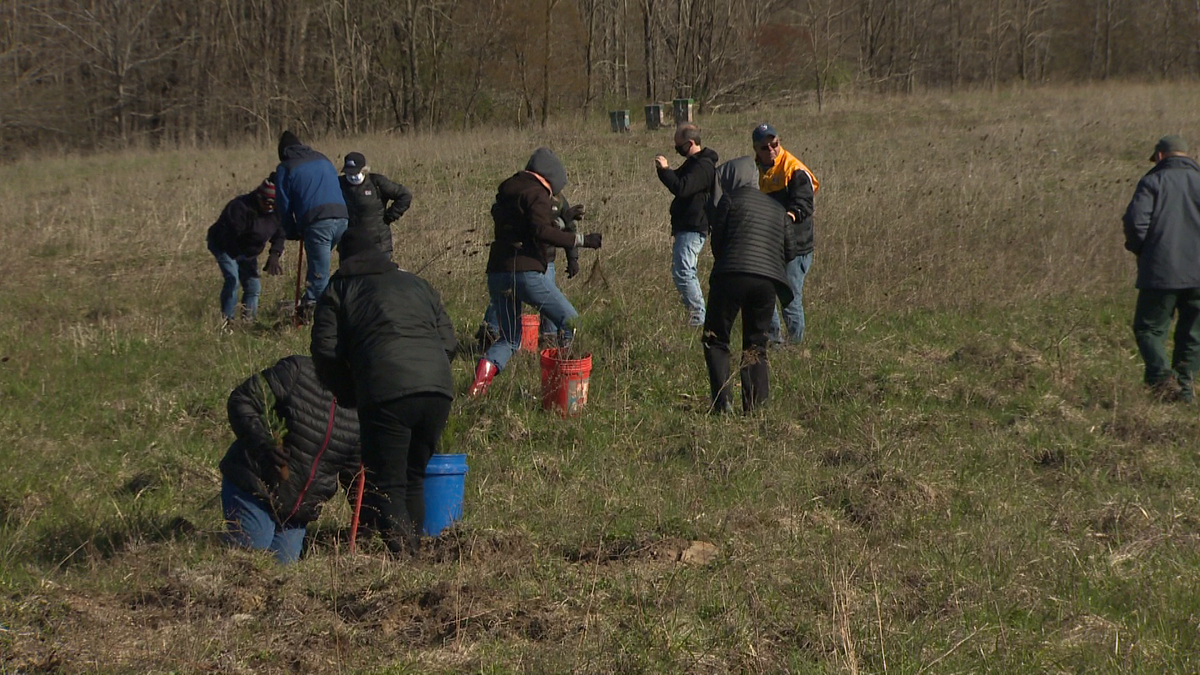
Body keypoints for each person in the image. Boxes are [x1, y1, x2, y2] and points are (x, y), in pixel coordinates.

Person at [310, 228, 458, 557]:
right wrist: (428, 370)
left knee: (387, 484)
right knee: (413, 476)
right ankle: (413, 552)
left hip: (386, 392)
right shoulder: (418, 284)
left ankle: (405, 560)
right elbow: (449, 342)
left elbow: (325, 351)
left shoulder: (338, 290)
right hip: (437, 391)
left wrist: (349, 393)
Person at [468, 148, 603, 397]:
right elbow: (541, 231)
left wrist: (560, 223)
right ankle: (560, 384)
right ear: (550, 178)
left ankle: (478, 387)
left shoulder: (507, 191)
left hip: (497, 272)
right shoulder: (537, 193)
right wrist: (581, 240)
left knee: (509, 339)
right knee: (571, 320)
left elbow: (528, 226)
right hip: (525, 272)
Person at [219, 355, 361, 564]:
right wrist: (263, 442)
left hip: (296, 514)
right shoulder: (298, 371)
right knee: (251, 560)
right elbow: (243, 399)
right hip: (255, 488)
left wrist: (375, 522)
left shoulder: (361, 408)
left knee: (281, 578)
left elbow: (354, 473)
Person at [703, 157, 797, 413]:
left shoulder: (729, 201)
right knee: (756, 345)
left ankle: (723, 405)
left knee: (717, 340)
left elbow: (718, 243)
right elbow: (790, 250)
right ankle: (755, 408)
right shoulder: (777, 209)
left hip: (731, 275)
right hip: (767, 282)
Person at [1122, 134, 1200, 403]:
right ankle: (1185, 392)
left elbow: (1135, 223)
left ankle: (1160, 378)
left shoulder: (1152, 181)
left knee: (1149, 329)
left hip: (1161, 272)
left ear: (1161, 156)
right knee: (1192, 335)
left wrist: (1142, 250)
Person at [476, 190, 585, 351]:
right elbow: (533, 228)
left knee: (548, 299)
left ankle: (550, 338)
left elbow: (569, 230)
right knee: (507, 293)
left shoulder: (559, 200)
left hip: (545, 260)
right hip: (518, 258)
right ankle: (490, 331)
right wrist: (561, 219)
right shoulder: (521, 195)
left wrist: (573, 258)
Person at [752, 123, 819, 345]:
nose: (771, 149)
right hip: (770, 246)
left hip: (796, 246)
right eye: (765, 147)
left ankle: (796, 347)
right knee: (765, 294)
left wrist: (786, 218)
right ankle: (774, 343)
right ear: (756, 149)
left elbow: (804, 205)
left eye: (775, 144)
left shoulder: (794, 170)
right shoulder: (755, 170)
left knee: (789, 297)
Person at [274, 130, 349, 322]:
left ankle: (318, 318)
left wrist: (291, 230)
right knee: (328, 266)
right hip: (342, 216)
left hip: (317, 222)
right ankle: (327, 303)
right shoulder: (322, 158)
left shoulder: (285, 167)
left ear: (283, 152)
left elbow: (283, 205)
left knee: (319, 273)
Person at [655, 123, 719, 326]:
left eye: (679, 146)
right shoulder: (694, 163)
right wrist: (664, 172)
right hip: (686, 226)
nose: (677, 150)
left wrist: (665, 170)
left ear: (690, 143)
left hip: (694, 226)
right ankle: (696, 315)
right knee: (681, 271)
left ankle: (698, 317)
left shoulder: (703, 166)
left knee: (684, 271)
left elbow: (682, 188)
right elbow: (677, 181)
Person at [205, 177, 284, 324]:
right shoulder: (240, 208)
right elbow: (228, 237)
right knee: (233, 280)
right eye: (267, 203)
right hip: (224, 246)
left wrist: (274, 255)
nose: (270, 207)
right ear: (258, 197)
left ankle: (248, 322)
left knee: (253, 287)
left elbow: (280, 234)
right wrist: (239, 257)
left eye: (274, 204)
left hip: (248, 252)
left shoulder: (276, 212)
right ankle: (227, 321)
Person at [339, 151, 413, 259]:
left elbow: (404, 195)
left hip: (378, 244)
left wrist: (389, 216)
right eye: (349, 173)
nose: (352, 176)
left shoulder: (376, 182)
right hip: (349, 245)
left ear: (363, 170)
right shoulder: (339, 184)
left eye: (355, 172)